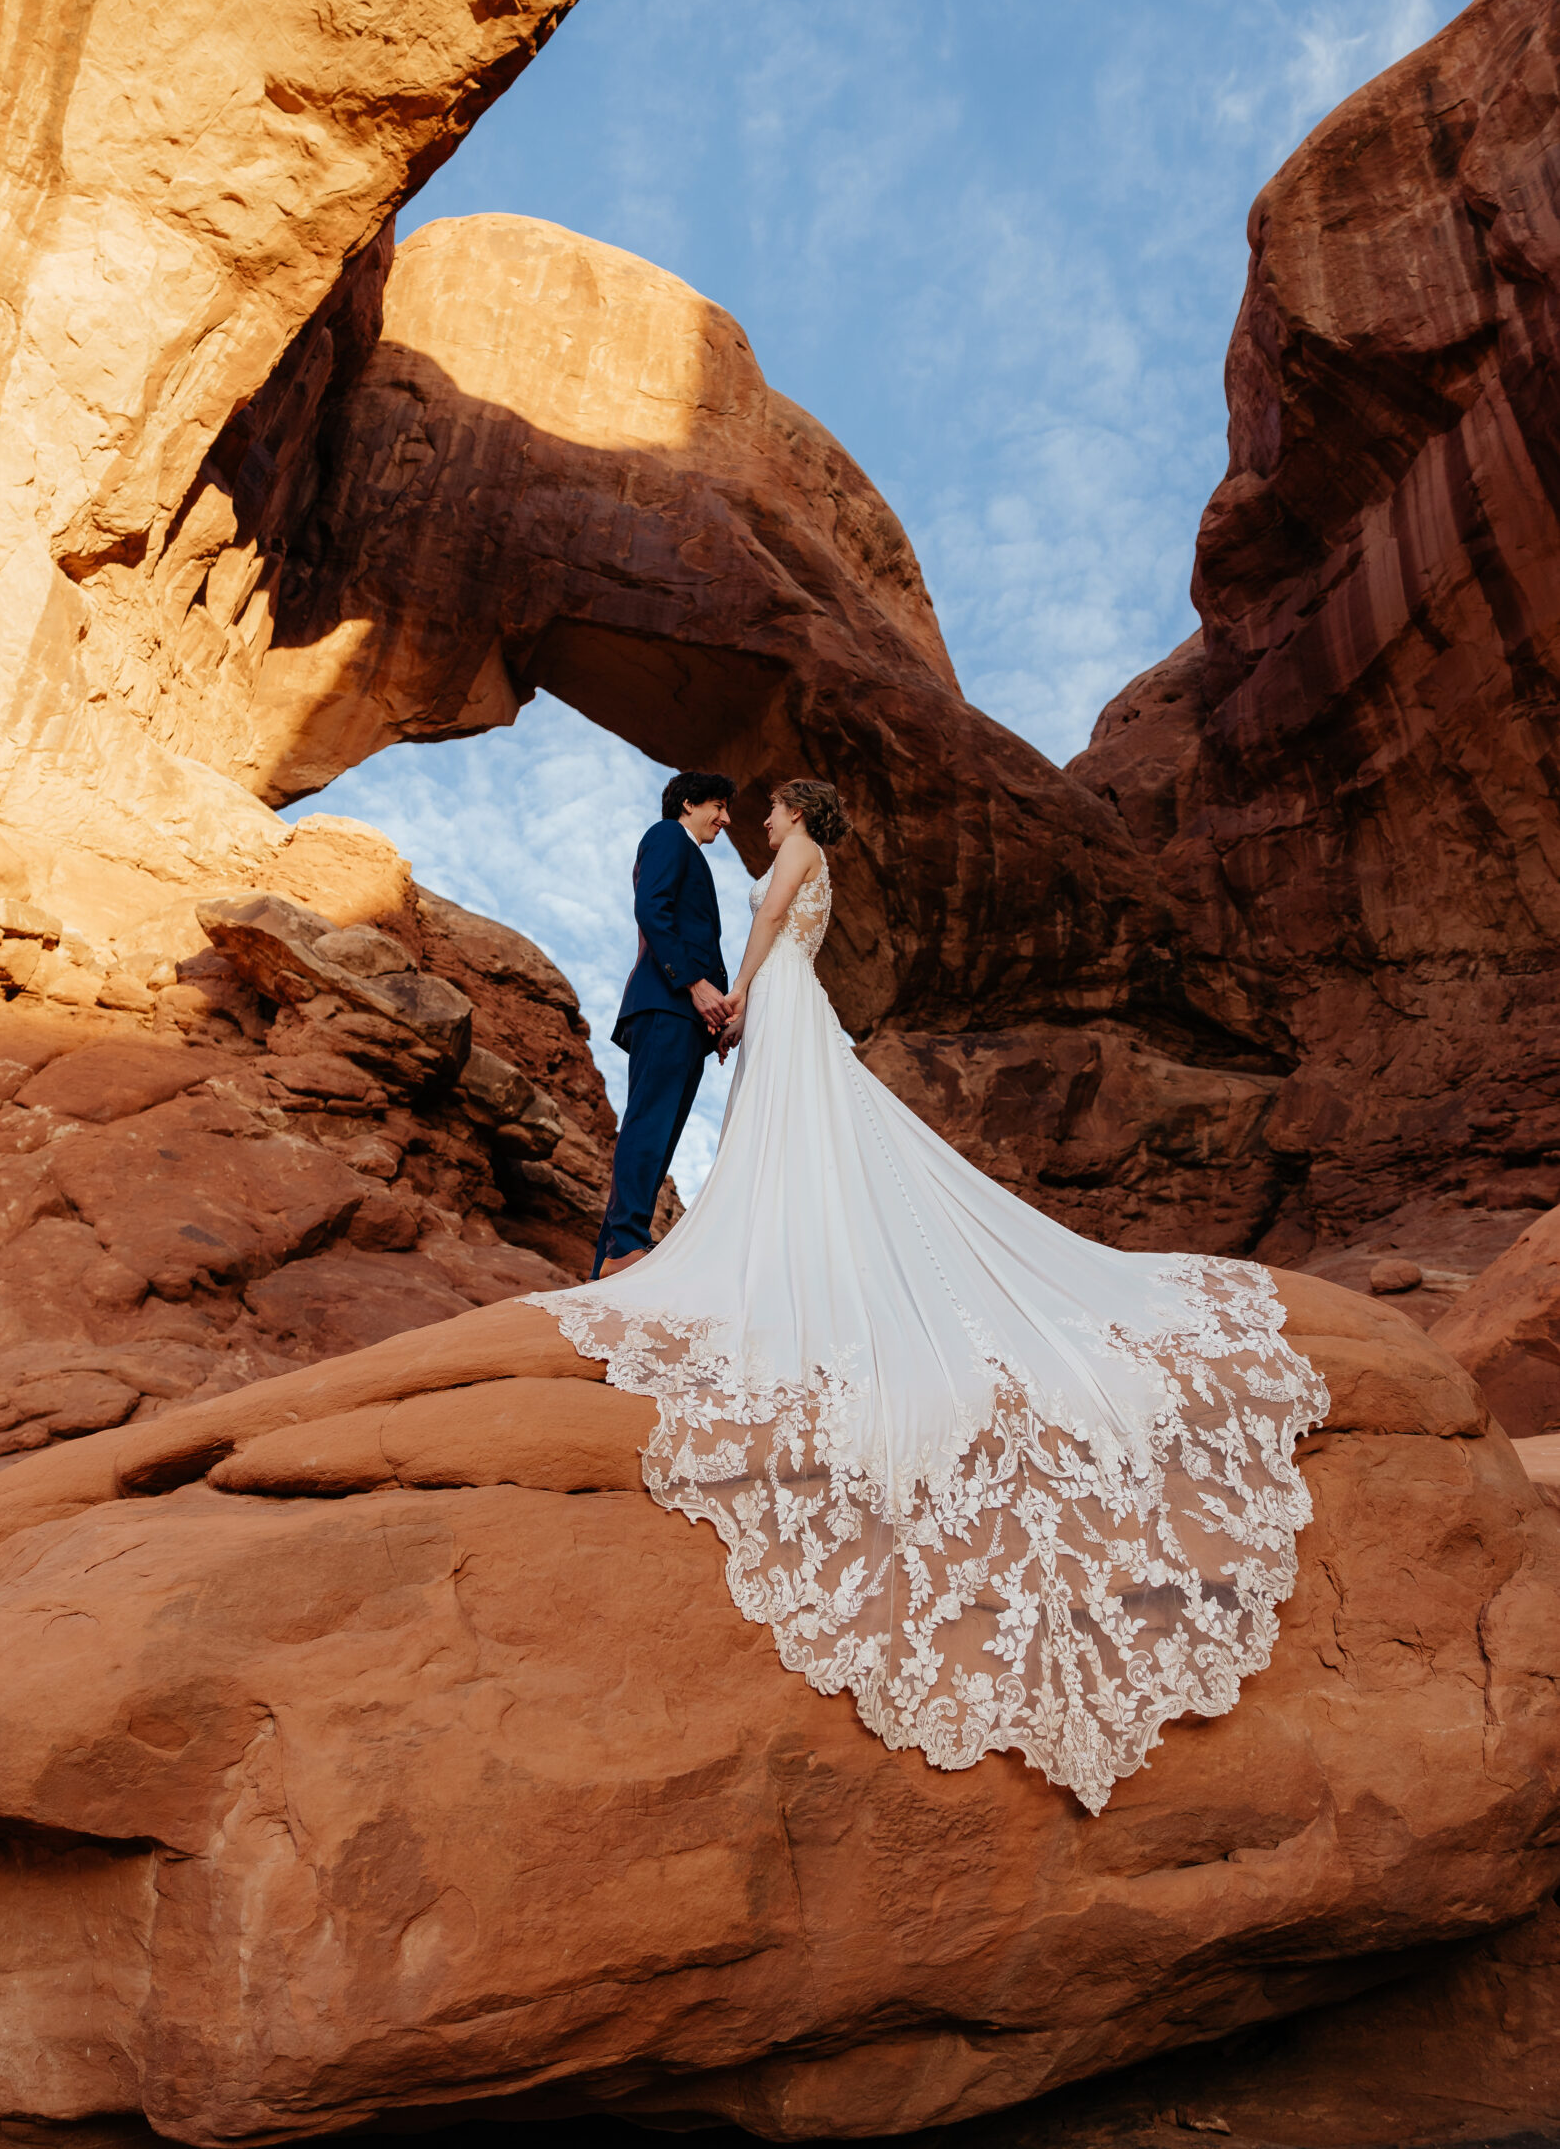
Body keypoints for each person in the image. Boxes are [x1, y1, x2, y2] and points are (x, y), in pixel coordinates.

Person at [534, 775, 1329, 1816]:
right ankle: (730, 1243)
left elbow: (768, 917)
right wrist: (722, 994)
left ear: (800, 813)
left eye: (766, 810)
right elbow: (722, 914)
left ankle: (713, 1251)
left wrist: (737, 992)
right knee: (797, 1142)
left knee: (789, 1140)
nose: (751, 823)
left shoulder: (793, 862)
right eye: (741, 811)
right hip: (762, 1005)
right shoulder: (755, 853)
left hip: (768, 1000)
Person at [592, 769, 738, 1280]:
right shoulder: (665, 836)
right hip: (667, 1004)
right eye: (718, 806)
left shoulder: (690, 853)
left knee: (664, 1134)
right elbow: (652, 911)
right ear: (689, 803)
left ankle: (610, 1262)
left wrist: (715, 1021)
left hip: (688, 1018)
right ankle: (628, 1241)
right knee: (649, 1125)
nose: (725, 819)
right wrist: (695, 985)